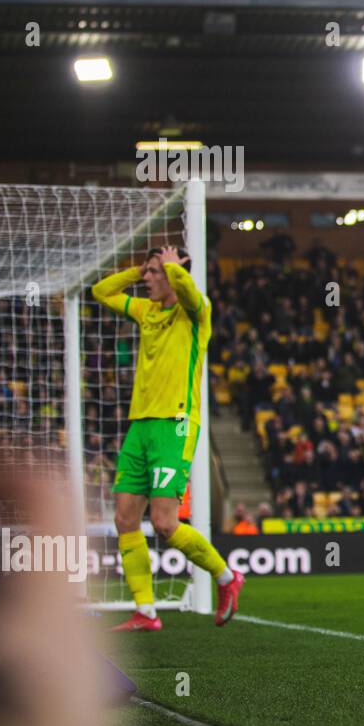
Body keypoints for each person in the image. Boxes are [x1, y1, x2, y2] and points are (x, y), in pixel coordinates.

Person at [90, 245, 244, 631]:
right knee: (125, 518)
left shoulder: (196, 312)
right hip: (140, 425)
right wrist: (136, 270)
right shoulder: (146, 311)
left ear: (176, 274)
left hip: (176, 424)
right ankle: (146, 610)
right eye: (149, 272)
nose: (148, 279)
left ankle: (227, 578)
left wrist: (175, 269)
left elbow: (189, 293)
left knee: (164, 522)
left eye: (155, 273)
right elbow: (101, 292)